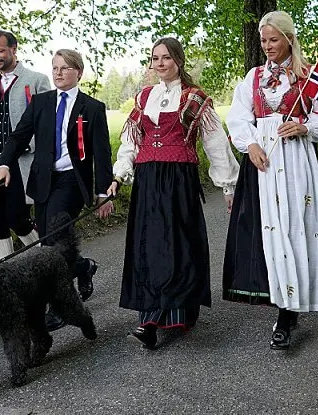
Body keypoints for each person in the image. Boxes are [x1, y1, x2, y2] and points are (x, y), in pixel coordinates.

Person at [107, 37, 239, 349]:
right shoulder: (143, 98)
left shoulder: (194, 98)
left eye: (166, 57)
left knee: (178, 245)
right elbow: (131, 142)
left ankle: (178, 309)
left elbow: (216, 143)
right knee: (149, 246)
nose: (160, 64)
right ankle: (149, 319)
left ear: (178, 60)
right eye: (155, 58)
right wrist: (120, 172)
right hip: (148, 181)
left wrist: (228, 184)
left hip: (179, 180)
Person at [223, 11, 318, 350]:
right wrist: (251, 145)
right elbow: (238, 117)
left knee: (296, 227)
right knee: (269, 231)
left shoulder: (309, 76)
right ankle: (280, 297)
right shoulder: (254, 77)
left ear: (289, 39)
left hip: (295, 162)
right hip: (263, 162)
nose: (267, 46)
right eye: (263, 40)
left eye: (273, 39)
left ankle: (289, 311)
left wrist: (306, 126)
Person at [0, 49, 114, 330]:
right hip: (44, 180)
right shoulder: (41, 102)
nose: (58, 73)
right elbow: (18, 135)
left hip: (73, 181)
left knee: (52, 242)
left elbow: (102, 152)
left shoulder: (92, 108)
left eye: (64, 68)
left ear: (78, 73)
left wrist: (104, 191)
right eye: (55, 68)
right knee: (49, 244)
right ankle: (83, 266)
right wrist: (4, 165)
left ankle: (60, 307)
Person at [0, 30, 51, 259]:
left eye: (1, 50)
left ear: (14, 49)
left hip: (21, 161)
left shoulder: (37, 80)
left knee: (17, 217)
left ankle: (48, 261)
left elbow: (47, 124)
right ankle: (7, 269)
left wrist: (30, 144)